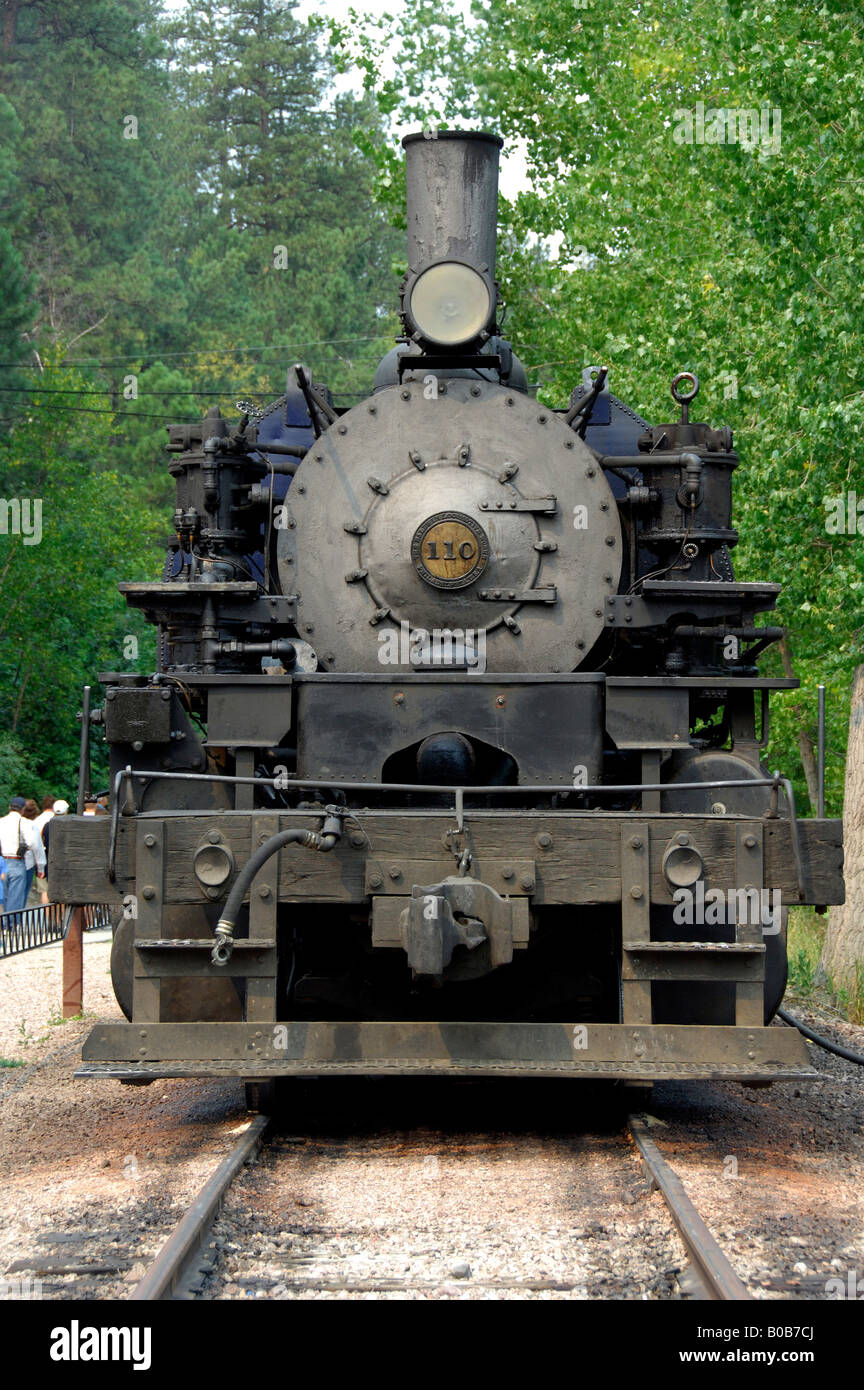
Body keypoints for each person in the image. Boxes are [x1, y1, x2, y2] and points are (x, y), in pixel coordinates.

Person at [0, 798, 46, 913]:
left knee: (3, 896)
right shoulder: (26, 823)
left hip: (2, 861)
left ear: (10, 807)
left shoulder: (1, 821)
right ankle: (11, 926)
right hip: (17, 860)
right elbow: (34, 844)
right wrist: (40, 866)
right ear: (23, 809)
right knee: (16, 897)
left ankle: (4, 924)